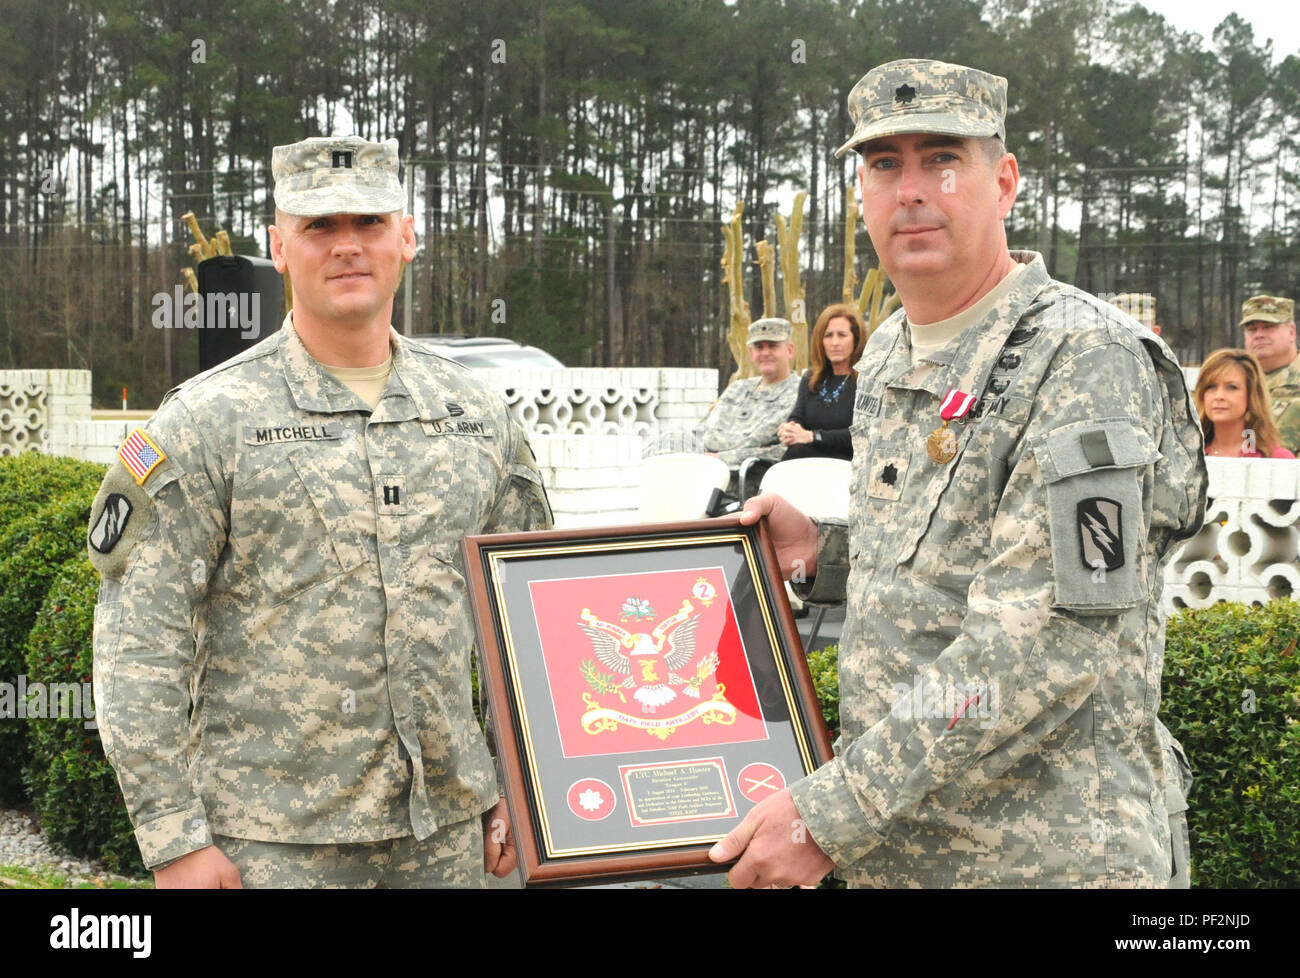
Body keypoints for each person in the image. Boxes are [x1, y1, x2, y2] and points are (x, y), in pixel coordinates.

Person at [709, 58, 1207, 888]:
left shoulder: (1087, 356)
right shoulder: (896, 347)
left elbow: (1049, 634)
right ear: (862, 193)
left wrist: (830, 813)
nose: (911, 189)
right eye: (884, 164)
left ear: (1004, 181)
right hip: (901, 855)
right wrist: (823, 552)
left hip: (1046, 857)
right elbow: (931, 562)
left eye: (943, 158)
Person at [87, 135, 552, 888]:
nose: (346, 246)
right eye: (318, 227)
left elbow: (524, 619)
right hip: (270, 844)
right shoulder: (206, 421)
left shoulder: (477, 416)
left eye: (368, 222)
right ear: (279, 246)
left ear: (407, 236)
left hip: (450, 833)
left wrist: (525, 788)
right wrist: (173, 837)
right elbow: (140, 640)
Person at [651, 317, 800, 493]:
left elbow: (784, 450)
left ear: (789, 350)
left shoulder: (801, 392)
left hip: (744, 483)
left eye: (773, 346)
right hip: (701, 473)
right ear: (751, 353)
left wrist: (721, 458)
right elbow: (701, 430)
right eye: (759, 347)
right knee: (667, 443)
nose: (765, 352)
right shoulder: (738, 388)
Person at [777, 304, 865, 461]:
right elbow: (797, 417)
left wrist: (812, 436)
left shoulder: (866, 382)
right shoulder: (811, 380)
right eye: (828, 335)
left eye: (842, 335)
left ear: (856, 340)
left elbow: (863, 434)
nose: (835, 342)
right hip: (808, 462)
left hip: (847, 465)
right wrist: (789, 430)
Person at [1195, 348, 1295, 458]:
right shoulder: (1186, 457)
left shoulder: (1277, 459)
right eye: (1211, 387)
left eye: (1231, 387)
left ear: (1251, 395)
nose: (1219, 396)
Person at [1240, 294, 1300, 455]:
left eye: (1268, 327)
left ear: (1291, 332)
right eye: (1252, 329)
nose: (1259, 334)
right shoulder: (1234, 383)